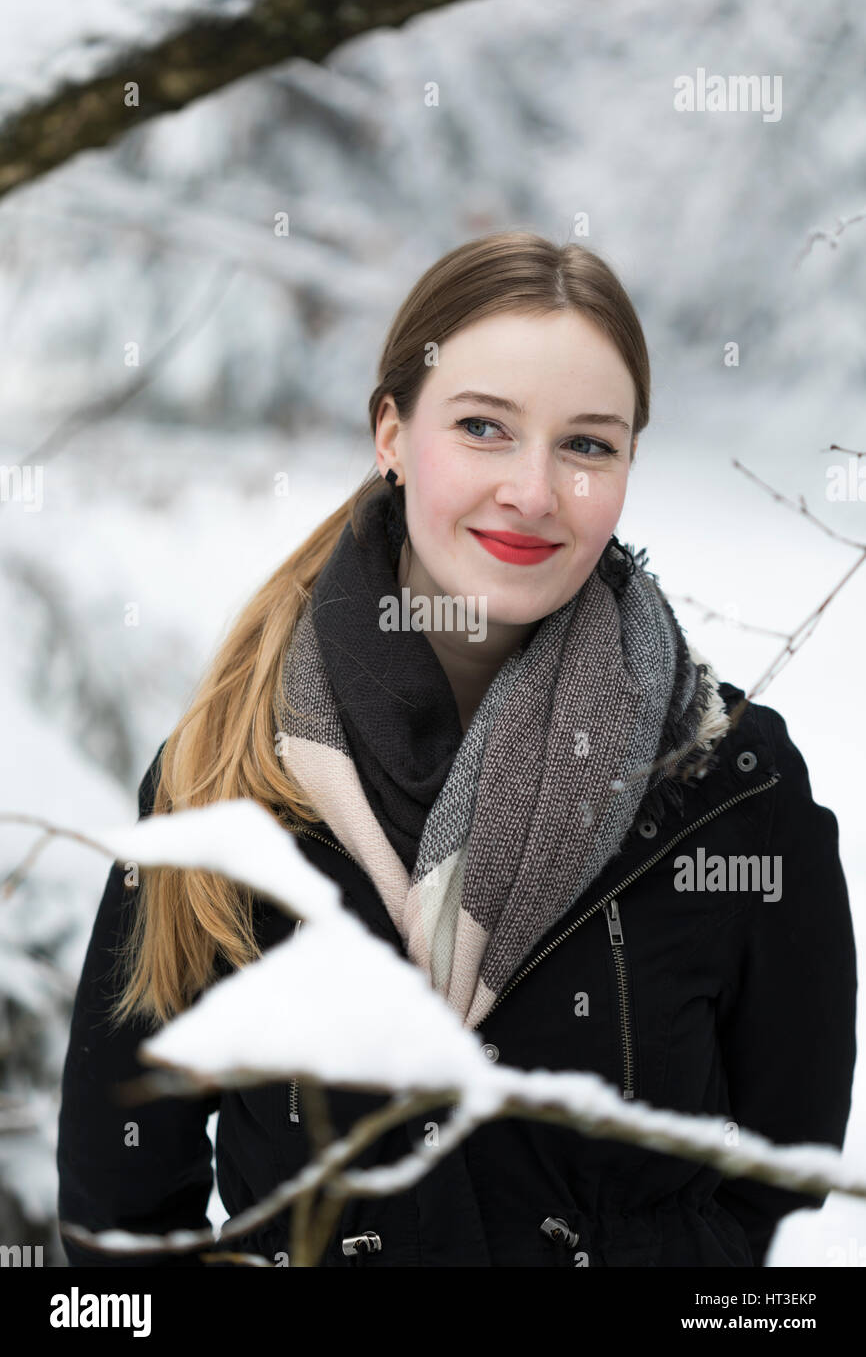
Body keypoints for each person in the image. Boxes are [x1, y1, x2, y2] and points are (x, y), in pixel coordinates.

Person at [56, 231, 857, 1268]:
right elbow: (121, 1204)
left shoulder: (730, 788)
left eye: (584, 445)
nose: (532, 491)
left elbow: (780, 1173)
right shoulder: (223, 778)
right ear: (391, 432)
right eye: (483, 427)